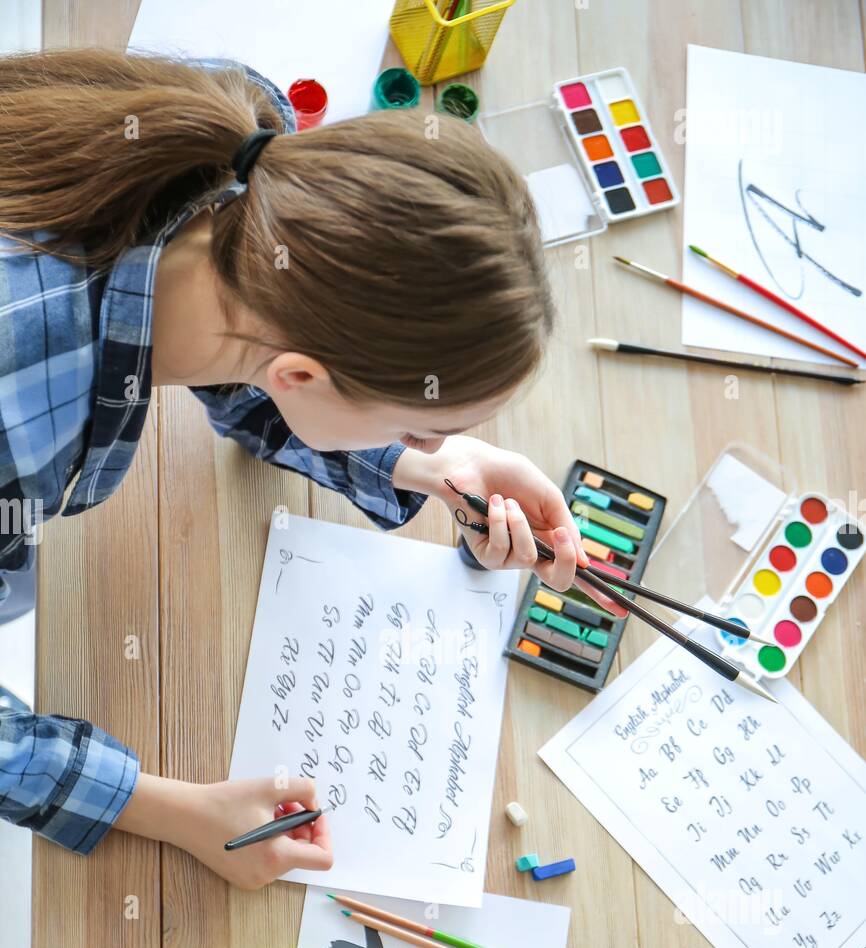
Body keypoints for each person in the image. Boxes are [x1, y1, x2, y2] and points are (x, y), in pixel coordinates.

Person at [0, 49, 618, 889]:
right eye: (426, 423)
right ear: (302, 375)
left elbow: (250, 362)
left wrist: (424, 466)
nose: (440, 444)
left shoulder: (244, 134)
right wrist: (173, 810)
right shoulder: (21, 419)